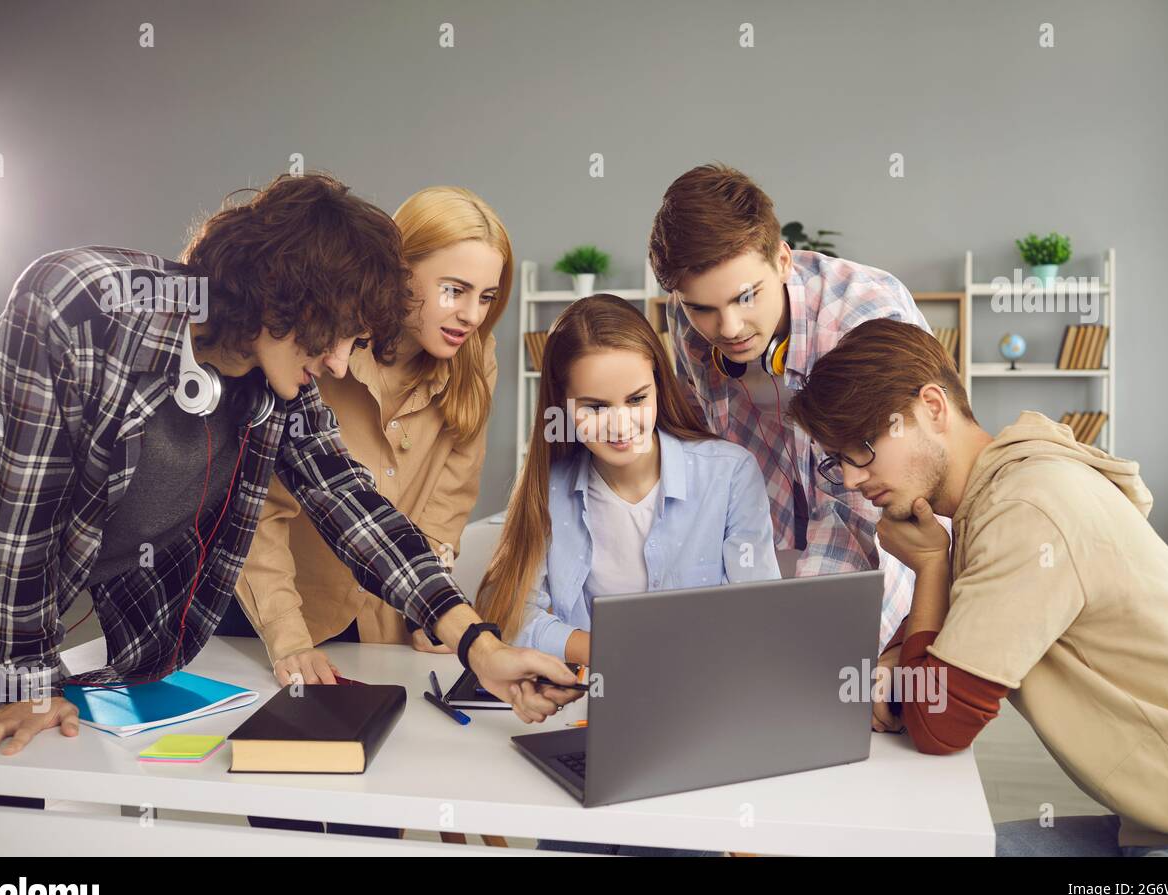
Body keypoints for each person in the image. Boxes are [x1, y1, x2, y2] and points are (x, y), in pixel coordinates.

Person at [0, 172, 574, 764]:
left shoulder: (276, 374)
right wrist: (25, 680)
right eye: (337, 337)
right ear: (284, 297)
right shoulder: (82, 302)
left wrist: (479, 645)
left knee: (16, 790)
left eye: (354, 345)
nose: (336, 366)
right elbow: (22, 516)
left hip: (24, 635)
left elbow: (350, 502)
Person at [790, 317, 1168, 857]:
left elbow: (938, 726)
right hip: (1160, 824)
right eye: (835, 459)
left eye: (861, 447)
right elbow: (913, 682)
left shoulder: (1026, 508)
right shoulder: (998, 494)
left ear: (932, 408)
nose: (849, 479)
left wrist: (932, 568)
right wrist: (908, 663)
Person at [476, 292, 778, 856]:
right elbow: (512, 614)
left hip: (696, 731)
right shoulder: (548, 486)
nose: (620, 425)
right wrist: (606, 652)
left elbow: (755, 620)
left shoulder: (728, 475)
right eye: (593, 406)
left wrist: (587, 651)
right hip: (588, 728)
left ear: (659, 387)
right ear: (561, 407)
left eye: (636, 398)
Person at [226, 185, 509, 683]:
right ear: (400, 274)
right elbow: (261, 509)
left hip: (389, 609)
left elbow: (448, 502)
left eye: (486, 297)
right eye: (454, 290)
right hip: (276, 611)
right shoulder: (314, 351)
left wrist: (432, 608)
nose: (472, 315)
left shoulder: (476, 359)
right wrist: (288, 637)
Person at [649, 163, 933, 650]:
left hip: (875, 522)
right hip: (768, 531)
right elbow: (705, 452)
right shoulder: (686, 320)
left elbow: (869, 503)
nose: (730, 327)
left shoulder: (863, 316)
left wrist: (806, 634)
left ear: (782, 260)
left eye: (746, 297)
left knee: (836, 676)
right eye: (702, 308)